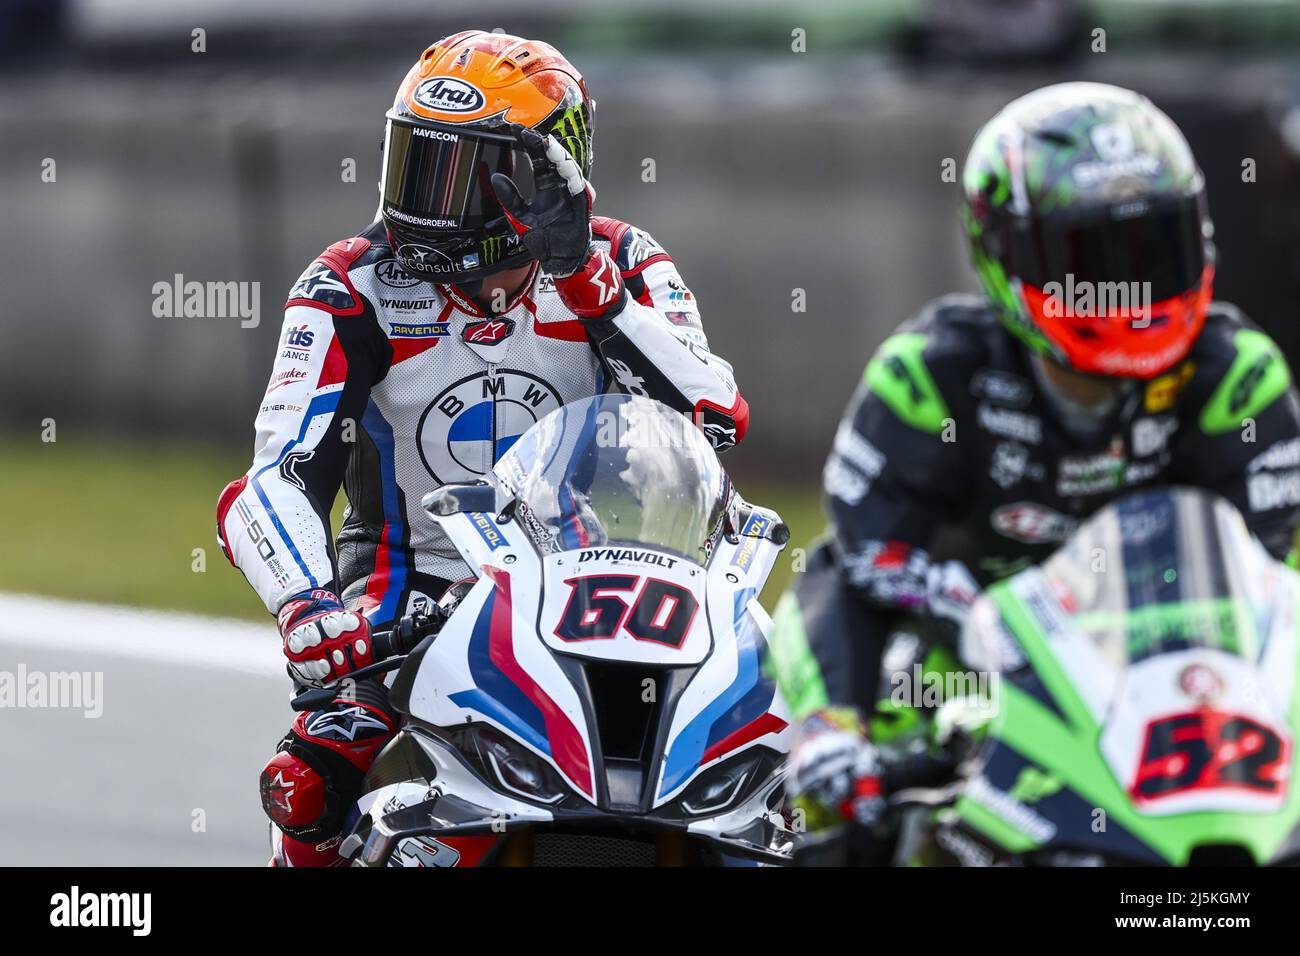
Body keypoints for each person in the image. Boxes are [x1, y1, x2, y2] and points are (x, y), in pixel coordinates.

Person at [215, 30, 748, 866]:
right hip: (407, 595)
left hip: (605, 579)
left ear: (543, 176)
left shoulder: (623, 263)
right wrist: (306, 606)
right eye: (414, 163)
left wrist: (588, 288)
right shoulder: (345, 286)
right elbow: (277, 478)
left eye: (460, 172)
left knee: (769, 767)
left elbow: (713, 417)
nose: (424, 200)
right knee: (311, 784)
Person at [773, 81, 1300, 831]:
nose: (1125, 291)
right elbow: (852, 572)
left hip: (1180, 694)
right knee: (837, 803)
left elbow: (1276, 595)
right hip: (969, 696)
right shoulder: (927, 379)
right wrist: (834, 728)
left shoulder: (1238, 382)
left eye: (1152, 249)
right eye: (1094, 260)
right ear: (1005, 257)